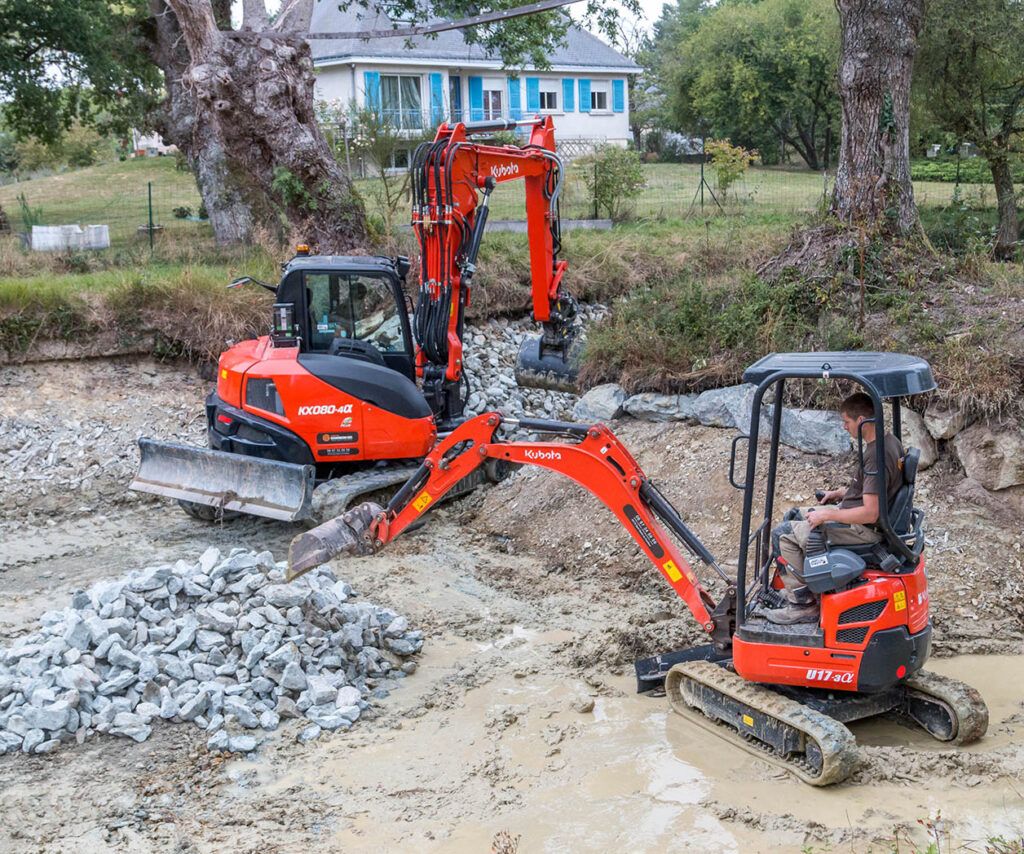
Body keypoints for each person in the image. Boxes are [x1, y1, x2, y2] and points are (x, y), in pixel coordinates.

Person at [766, 391, 905, 625]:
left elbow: (871, 512)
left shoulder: (875, 455)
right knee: (793, 515)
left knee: (783, 535)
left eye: (846, 422)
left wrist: (828, 514)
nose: (844, 427)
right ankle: (800, 587)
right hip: (862, 518)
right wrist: (840, 494)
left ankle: (802, 605)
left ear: (861, 421)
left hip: (864, 527)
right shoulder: (889, 443)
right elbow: (877, 489)